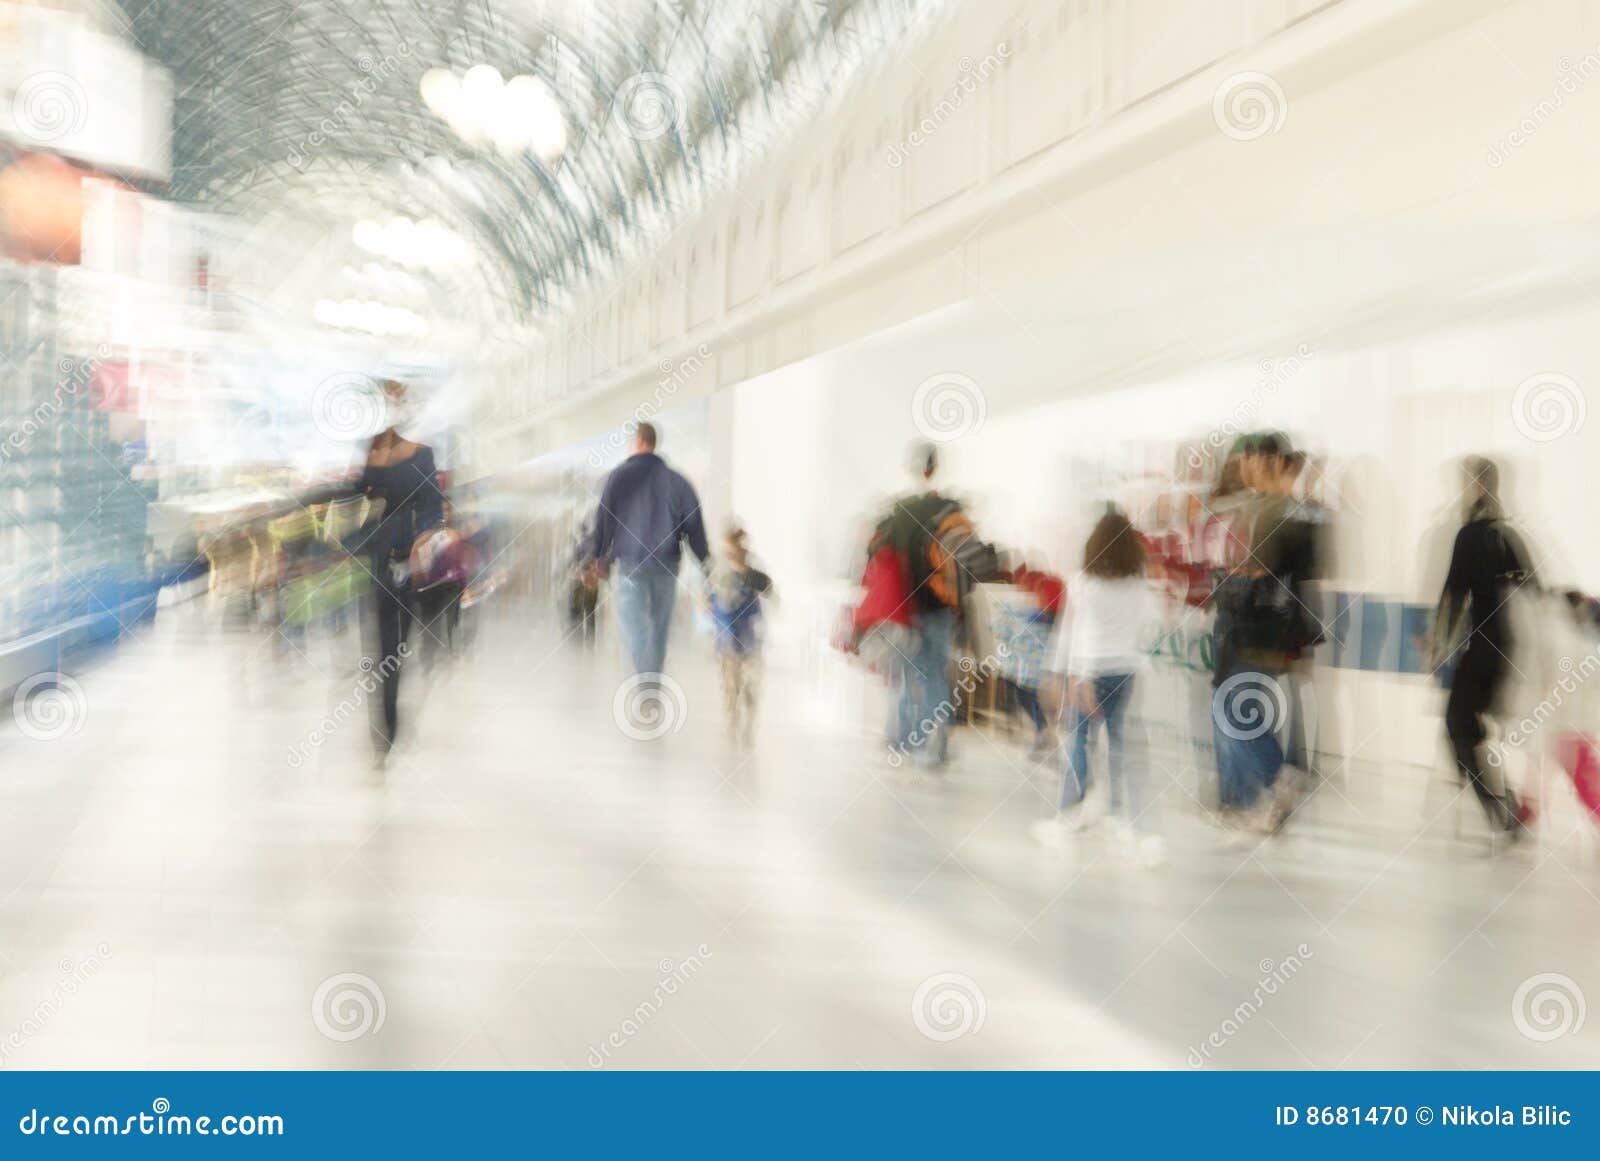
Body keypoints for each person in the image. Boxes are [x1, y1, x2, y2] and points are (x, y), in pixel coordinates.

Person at [1033, 510, 1161, 862]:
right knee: (1119, 746)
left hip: (1092, 674)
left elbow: (1074, 633)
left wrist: (1070, 675)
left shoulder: (1084, 584)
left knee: (1079, 742)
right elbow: (1148, 626)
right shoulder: (1138, 585)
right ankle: (1119, 817)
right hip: (1125, 672)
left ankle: (1068, 813)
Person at [1429, 456, 1536, 842]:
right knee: (1468, 724)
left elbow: (1454, 592)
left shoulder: (1470, 535)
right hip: (1509, 650)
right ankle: (1505, 804)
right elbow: (1533, 589)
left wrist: (1439, 642)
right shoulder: (1509, 535)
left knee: (1457, 725)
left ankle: (1502, 810)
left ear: (1477, 486)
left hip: (1484, 648)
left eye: (1465, 483)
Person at [346, 379, 442, 763]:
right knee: (380, 649)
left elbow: (432, 505)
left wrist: (424, 539)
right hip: (377, 562)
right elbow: (352, 498)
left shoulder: (421, 455)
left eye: (396, 401)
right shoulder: (369, 453)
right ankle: (384, 728)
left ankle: (389, 720)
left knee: (396, 650)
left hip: (408, 563)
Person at [587, 422, 710, 678]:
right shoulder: (677, 481)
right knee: (659, 631)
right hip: (667, 564)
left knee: (635, 629)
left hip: (631, 563)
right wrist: (705, 561)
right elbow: (694, 524)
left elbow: (604, 520)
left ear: (640, 442)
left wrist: (597, 557)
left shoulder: (618, 477)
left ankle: (644, 682)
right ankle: (651, 683)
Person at [881, 442, 966, 768]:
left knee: (905, 674)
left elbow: (883, 555)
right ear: (936, 467)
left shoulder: (901, 511)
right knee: (935, 674)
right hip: (941, 607)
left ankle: (904, 740)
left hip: (907, 607)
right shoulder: (951, 508)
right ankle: (935, 741)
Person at [709, 526, 774, 745]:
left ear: (744, 551)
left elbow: (770, 591)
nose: (735, 554)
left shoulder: (755, 577)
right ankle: (732, 719)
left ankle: (747, 717)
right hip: (727, 643)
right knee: (730, 685)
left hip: (750, 642)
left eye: (738, 549)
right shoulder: (721, 576)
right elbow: (709, 601)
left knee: (749, 684)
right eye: (730, 550)